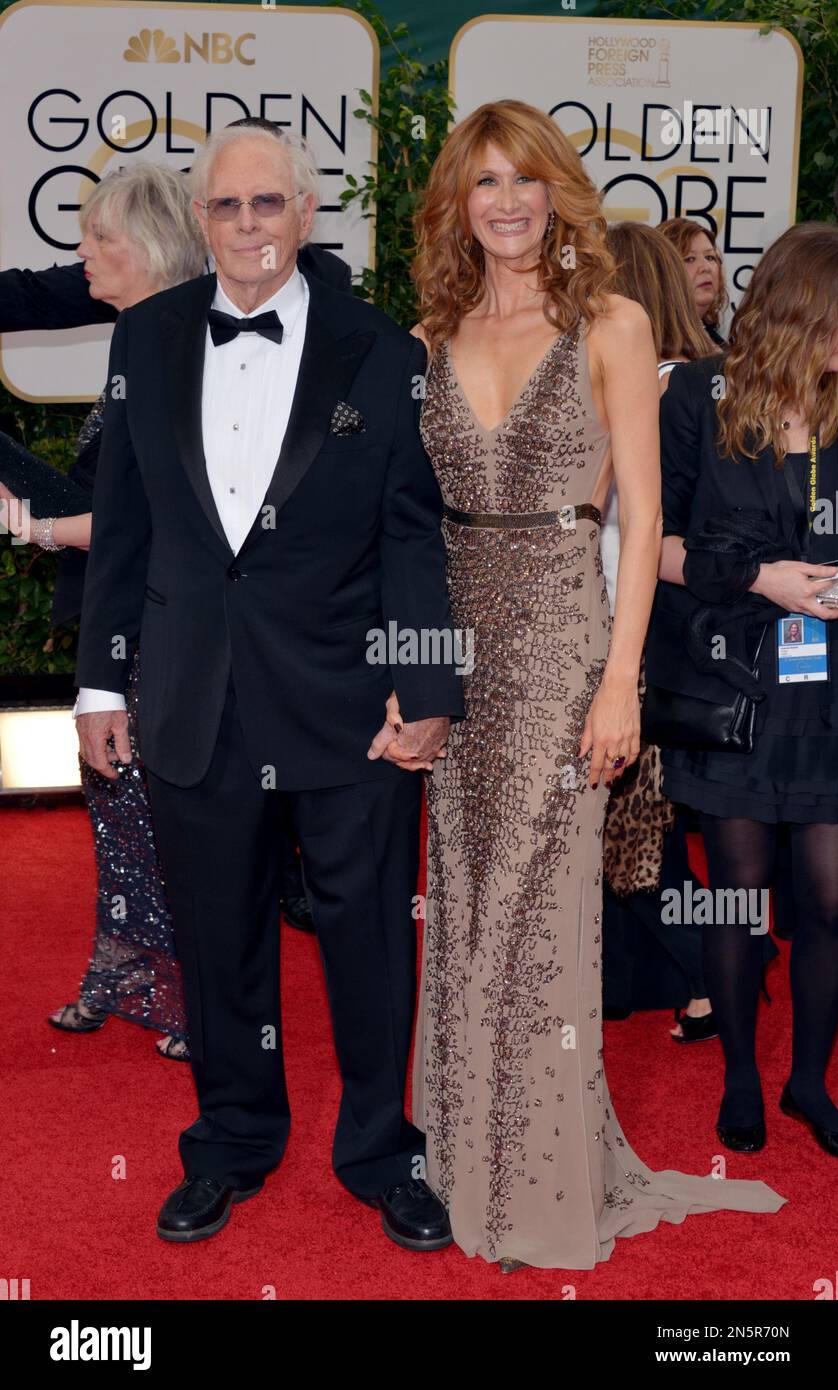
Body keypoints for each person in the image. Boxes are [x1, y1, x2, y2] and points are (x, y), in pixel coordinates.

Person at [398, 99, 785, 1272]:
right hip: (458, 643)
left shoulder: (611, 322)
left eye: (526, 181)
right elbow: (409, 523)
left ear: (560, 193)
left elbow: (646, 511)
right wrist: (409, 680)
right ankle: (467, 1162)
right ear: (458, 206)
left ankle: (541, 1182)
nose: (506, 203)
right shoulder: (434, 328)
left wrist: (619, 683)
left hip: (565, 640)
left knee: (537, 915)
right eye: (483, 185)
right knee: (463, 909)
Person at [72, 122, 466, 1248]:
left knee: (369, 934)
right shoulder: (145, 339)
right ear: (203, 221)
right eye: (226, 207)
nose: (247, 226)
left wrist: (428, 681)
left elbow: (411, 537)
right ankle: (233, 1140)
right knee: (218, 935)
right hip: (197, 693)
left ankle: (384, 1149)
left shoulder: (381, 351)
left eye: (268, 204)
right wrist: (103, 688)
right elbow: (127, 533)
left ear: (305, 213)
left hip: (349, 702)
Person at [0, 161, 207, 1060]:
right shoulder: (137, 335)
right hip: (119, 606)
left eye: (100, 239)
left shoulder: (180, 352)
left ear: (152, 250)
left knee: (169, 807)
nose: (81, 253)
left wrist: (41, 532)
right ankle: (124, 974)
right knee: (118, 800)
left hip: (170, 618)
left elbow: (151, 521)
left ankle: (197, 996)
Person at [650, 222, 838, 1157]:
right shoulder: (698, 395)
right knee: (735, 894)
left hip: (830, 695)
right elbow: (653, 543)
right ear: (799, 311)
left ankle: (808, 1079)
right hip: (734, 682)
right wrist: (762, 577)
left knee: (832, 899)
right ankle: (738, 1074)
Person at [597, 222, 719, 1040]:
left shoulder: (658, 389)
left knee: (635, 824)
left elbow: (641, 527)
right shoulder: (701, 381)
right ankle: (688, 971)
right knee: (639, 821)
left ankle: (710, 972)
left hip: (632, 637)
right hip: (664, 636)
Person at [659, 216, 728, 346]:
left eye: (710, 257)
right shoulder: (656, 344)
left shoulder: (714, 338)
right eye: (690, 259)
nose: (706, 267)